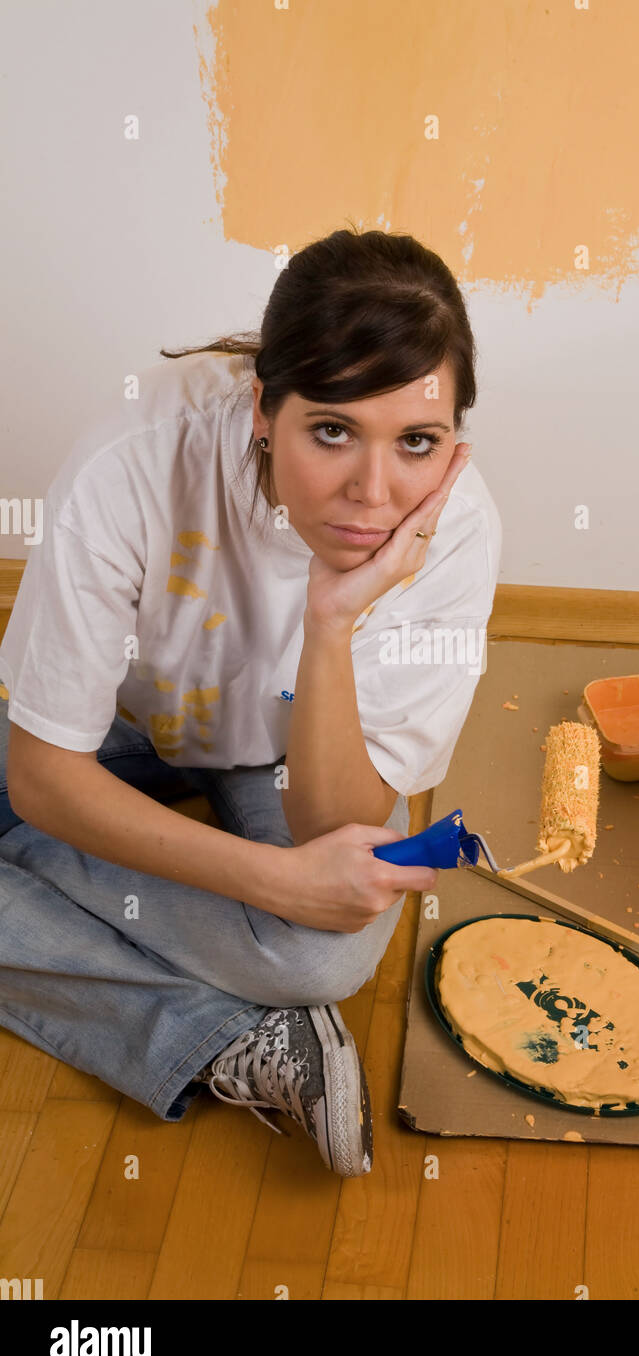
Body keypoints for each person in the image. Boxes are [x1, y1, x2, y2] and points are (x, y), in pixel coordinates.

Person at [0, 227, 502, 1178]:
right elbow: (44, 774)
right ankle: (227, 1036)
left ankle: (50, 875)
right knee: (59, 811)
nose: (374, 491)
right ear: (265, 408)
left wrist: (331, 620)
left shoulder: (458, 531)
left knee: (324, 959)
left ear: (453, 446)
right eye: (332, 431)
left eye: (417, 444)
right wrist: (269, 883)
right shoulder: (133, 461)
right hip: (119, 721)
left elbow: (338, 820)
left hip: (280, 754)